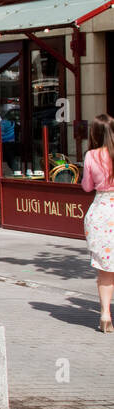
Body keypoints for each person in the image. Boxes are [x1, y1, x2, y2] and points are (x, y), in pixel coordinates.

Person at [82, 114, 114, 333]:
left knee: (105, 270)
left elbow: (86, 186)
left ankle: (105, 315)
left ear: (94, 133)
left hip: (102, 211)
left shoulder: (91, 156)